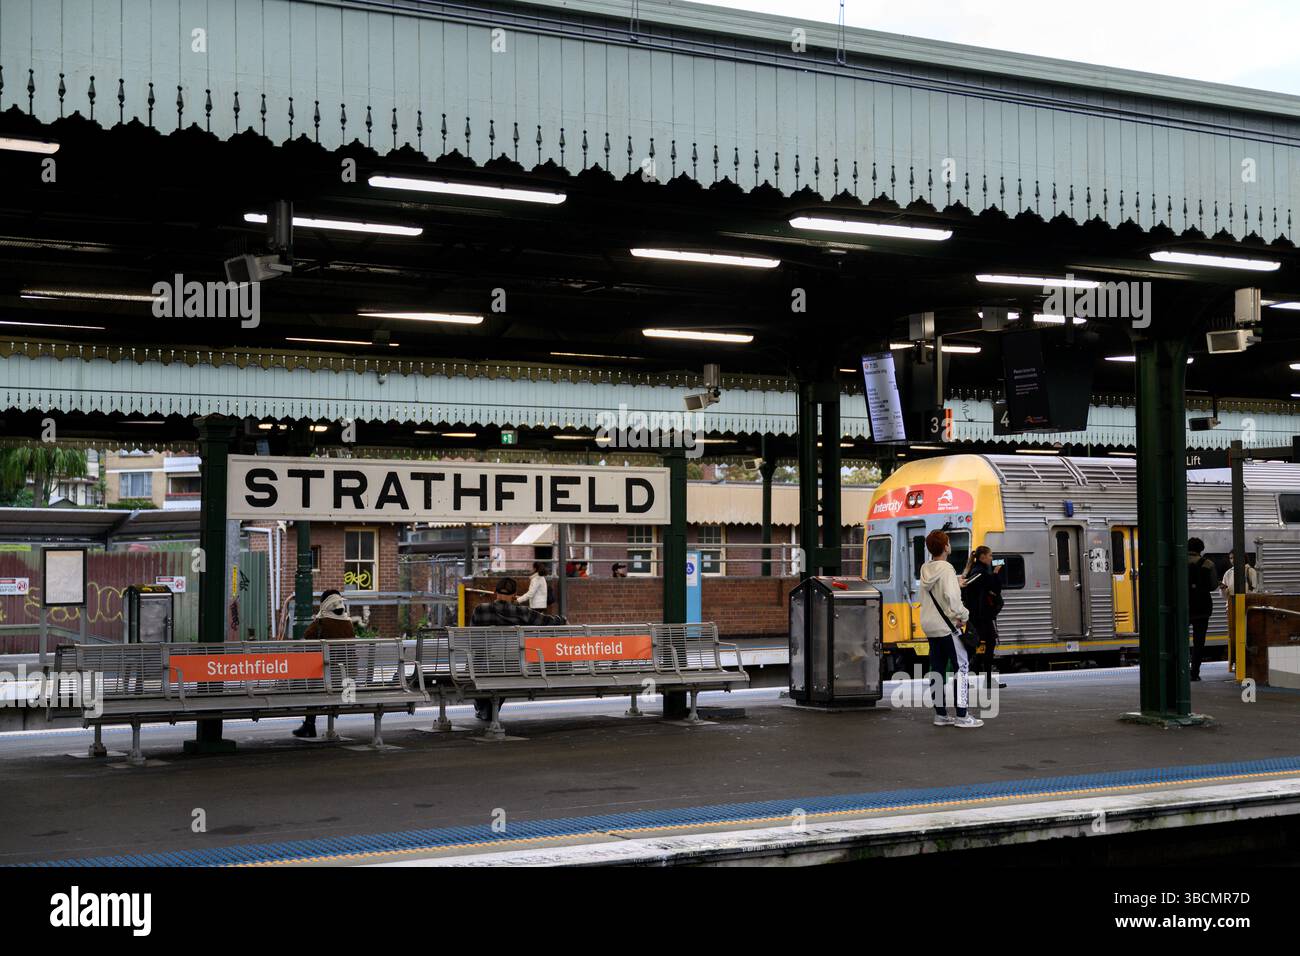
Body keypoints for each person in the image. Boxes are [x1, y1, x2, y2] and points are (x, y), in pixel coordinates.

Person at [469, 577, 567, 720]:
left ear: (495, 592)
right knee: (505, 672)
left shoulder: (480, 610)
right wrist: (562, 619)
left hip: (482, 665)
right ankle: (488, 709)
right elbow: (547, 621)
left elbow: (473, 639)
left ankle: (483, 707)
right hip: (513, 666)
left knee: (487, 667)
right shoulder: (522, 612)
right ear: (514, 595)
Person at [919, 530, 981, 728]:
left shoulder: (925, 568)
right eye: (948, 542)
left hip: (930, 626)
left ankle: (941, 714)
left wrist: (955, 582)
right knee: (961, 668)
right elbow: (953, 600)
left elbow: (938, 588)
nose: (950, 545)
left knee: (937, 669)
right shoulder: (946, 568)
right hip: (947, 627)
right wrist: (964, 616)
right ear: (945, 547)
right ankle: (962, 715)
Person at [293, 589, 354, 738]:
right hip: (346, 678)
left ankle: (309, 725)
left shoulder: (322, 622)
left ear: (325, 605)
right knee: (320, 681)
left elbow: (307, 636)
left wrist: (316, 620)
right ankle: (309, 725)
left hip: (325, 678)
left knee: (313, 684)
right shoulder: (348, 623)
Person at [961, 546, 1005, 691]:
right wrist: (996, 574)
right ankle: (972, 679)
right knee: (976, 646)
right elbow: (995, 588)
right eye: (990, 555)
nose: (991, 558)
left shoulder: (976, 571)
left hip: (976, 616)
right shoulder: (980, 572)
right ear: (982, 557)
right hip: (981, 617)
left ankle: (969, 679)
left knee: (976, 646)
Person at [1219, 551, 1258, 671]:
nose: (1232, 560)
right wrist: (1223, 589)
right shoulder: (1228, 573)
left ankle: (1247, 660)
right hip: (1231, 608)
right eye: (1230, 558)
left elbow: (1254, 589)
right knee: (1233, 636)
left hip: (1246, 608)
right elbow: (1225, 596)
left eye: (1234, 557)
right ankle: (1236, 661)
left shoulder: (1249, 571)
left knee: (1247, 635)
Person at [1186, 538, 1217, 681]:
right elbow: (1212, 585)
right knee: (1199, 642)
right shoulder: (1208, 564)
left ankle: (1182, 670)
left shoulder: (1179, 562)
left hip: (1183, 607)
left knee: (1180, 641)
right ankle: (1194, 673)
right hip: (1202, 608)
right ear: (1201, 549)